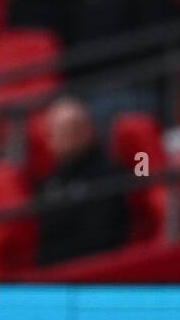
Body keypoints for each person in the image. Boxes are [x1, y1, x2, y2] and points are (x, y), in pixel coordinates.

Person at [35, 96, 129, 264]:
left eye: (72, 130)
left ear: (89, 131)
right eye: (55, 131)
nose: (57, 138)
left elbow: (101, 240)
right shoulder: (49, 181)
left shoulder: (107, 175)